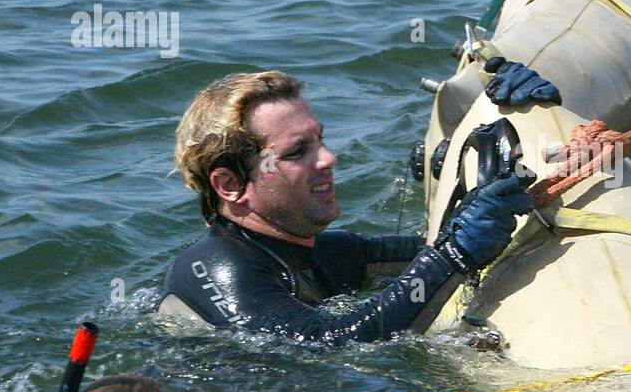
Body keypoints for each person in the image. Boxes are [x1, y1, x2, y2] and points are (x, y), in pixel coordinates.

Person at [155, 60, 560, 345]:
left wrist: (498, 105)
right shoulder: (215, 268)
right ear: (229, 185)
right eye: (297, 152)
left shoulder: (318, 254)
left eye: (320, 139)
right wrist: (454, 255)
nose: (329, 159)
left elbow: (434, 247)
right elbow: (328, 342)